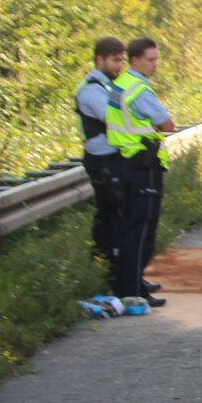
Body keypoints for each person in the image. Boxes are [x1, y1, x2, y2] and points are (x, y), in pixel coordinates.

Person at [108, 37, 177, 306]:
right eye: (151, 59)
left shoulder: (119, 85)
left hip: (124, 161)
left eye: (157, 59)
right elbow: (167, 123)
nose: (155, 64)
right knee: (142, 231)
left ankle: (130, 282)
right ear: (135, 60)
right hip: (143, 165)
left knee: (129, 229)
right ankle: (135, 290)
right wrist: (158, 126)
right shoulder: (139, 90)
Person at [73, 36, 128, 285]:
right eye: (115, 60)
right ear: (99, 60)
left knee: (110, 214)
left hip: (112, 157)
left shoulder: (107, 87)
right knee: (113, 216)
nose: (120, 66)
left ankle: (111, 268)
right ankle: (112, 271)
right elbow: (115, 122)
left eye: (122, 61)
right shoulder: (92, 89)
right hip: (102, 160)